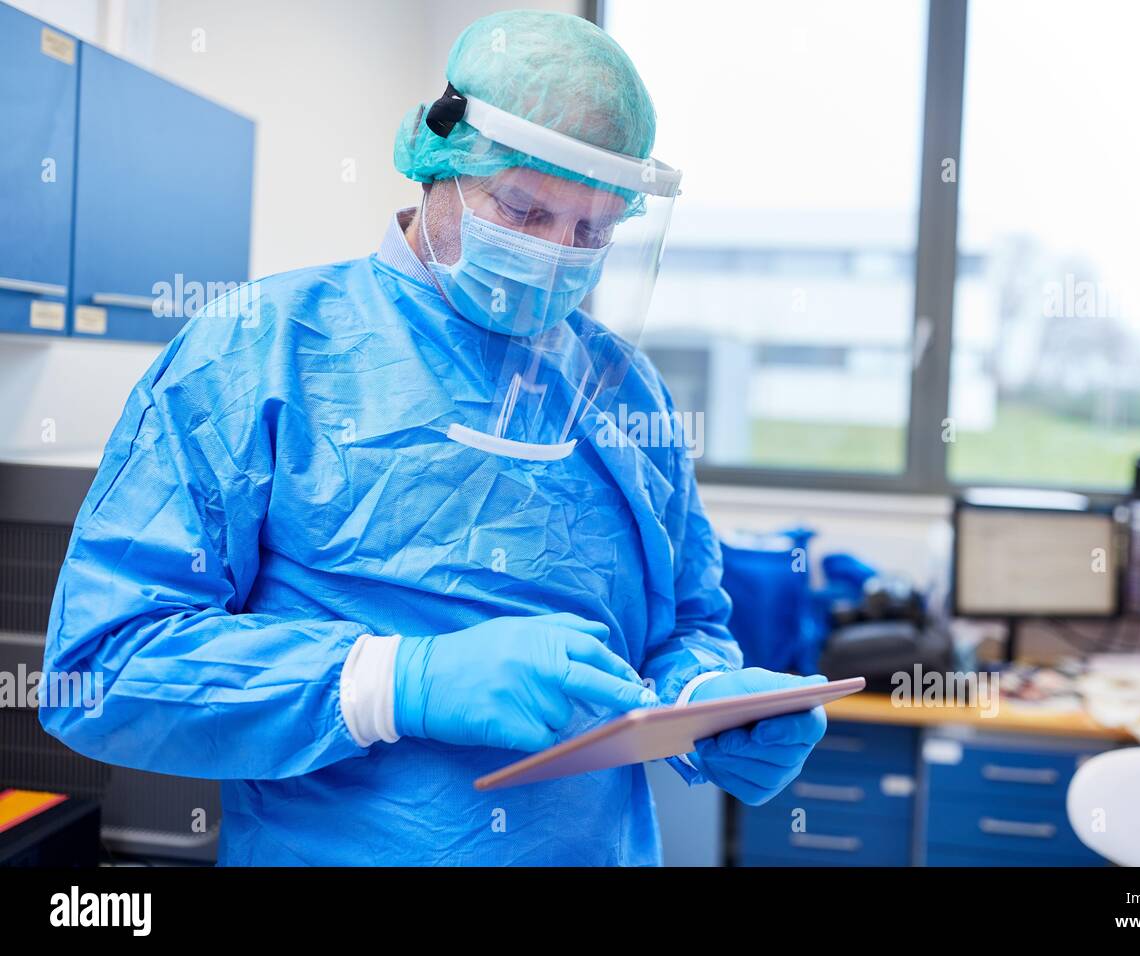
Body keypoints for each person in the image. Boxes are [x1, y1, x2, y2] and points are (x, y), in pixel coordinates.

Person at [40, 9, 828, 866]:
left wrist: (708, 699)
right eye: (525, 212)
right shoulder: (258, 350)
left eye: (592, 231)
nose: (558, 254)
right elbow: (104, 669)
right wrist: (396, 684)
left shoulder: (625, 393)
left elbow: (683, 625)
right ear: (438, 166)